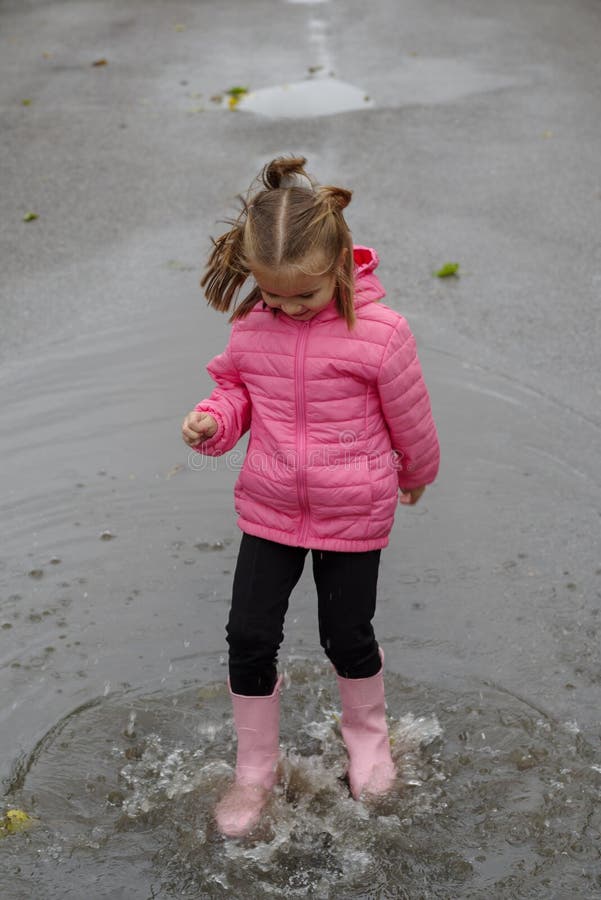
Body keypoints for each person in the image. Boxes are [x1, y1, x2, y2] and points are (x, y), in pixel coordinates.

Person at [182, 156, 440, 838]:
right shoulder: (251, 328)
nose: (288, 308)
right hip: (269, 505)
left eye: (304, 295)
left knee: (345, 634)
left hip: (352, 507)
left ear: (337, 266)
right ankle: (254, 768)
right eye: (274, 296)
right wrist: (213, 419)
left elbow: (409, 412)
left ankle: (367, 739)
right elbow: (236, 391)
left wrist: (416, 470)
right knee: (248, 634)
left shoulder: (382, 333)